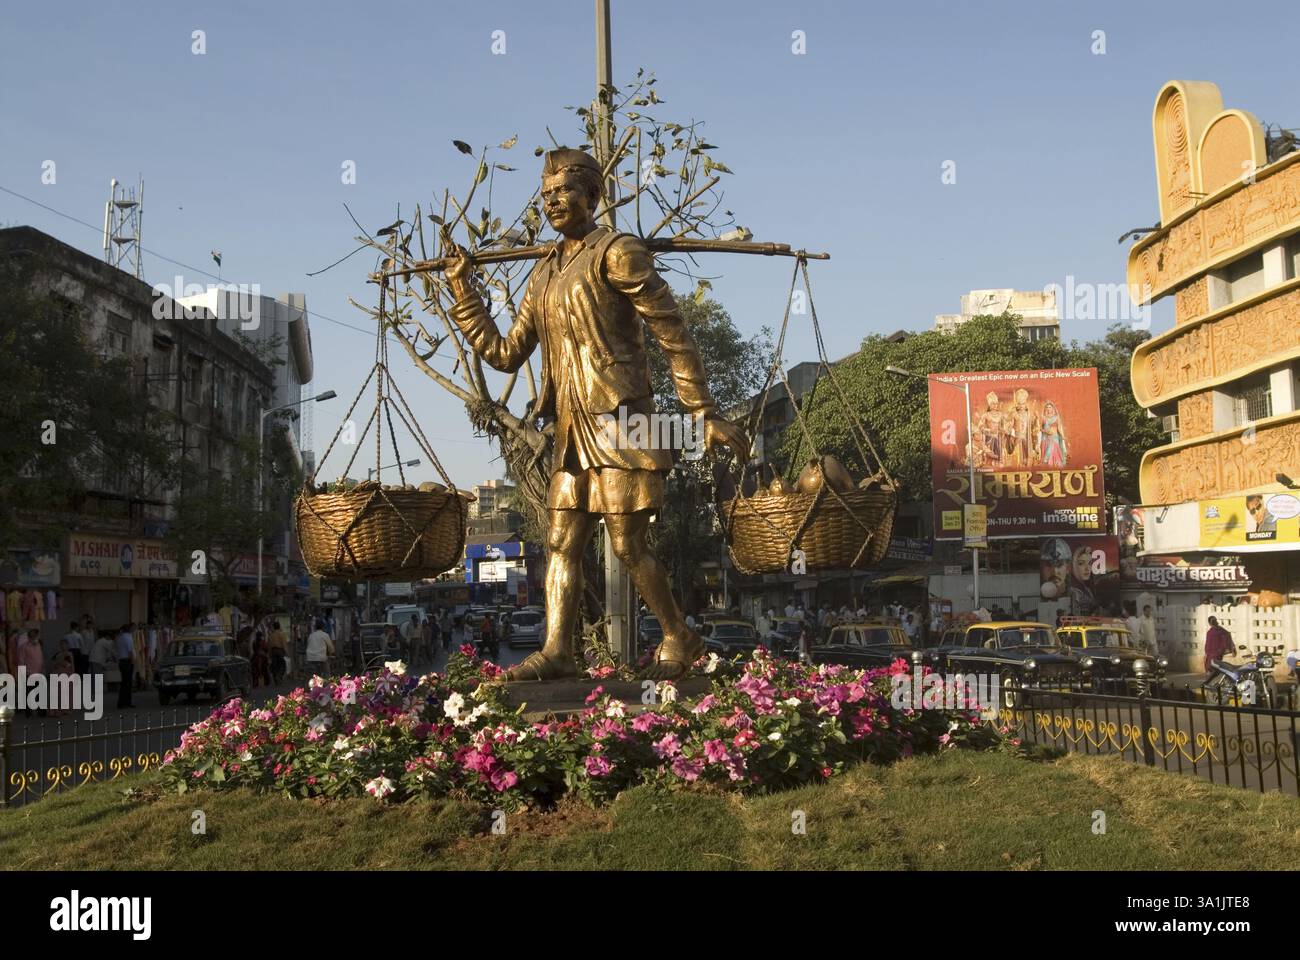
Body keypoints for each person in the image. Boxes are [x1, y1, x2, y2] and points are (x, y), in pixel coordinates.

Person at [115, 623, 135, 708]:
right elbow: (130, 651)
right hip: (127, 661)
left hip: (121, 661)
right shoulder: (128, 637)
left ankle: (123, 702)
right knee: (128, 683)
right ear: (129, 629)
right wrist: (133, 662)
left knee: (124, 682)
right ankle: (125, 702)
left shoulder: (119, 638)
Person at [268, 620, 288, 684]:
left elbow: (269, 645)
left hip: (273, 651)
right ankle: (280, 676)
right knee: (282, 664)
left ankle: (275, 678)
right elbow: (284, 644)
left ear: (274, 627)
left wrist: (269, 654)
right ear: (279, 627)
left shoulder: (271, 635)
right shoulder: (282, 634)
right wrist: (286, 652)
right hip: (280, 651)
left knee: (274, 665)